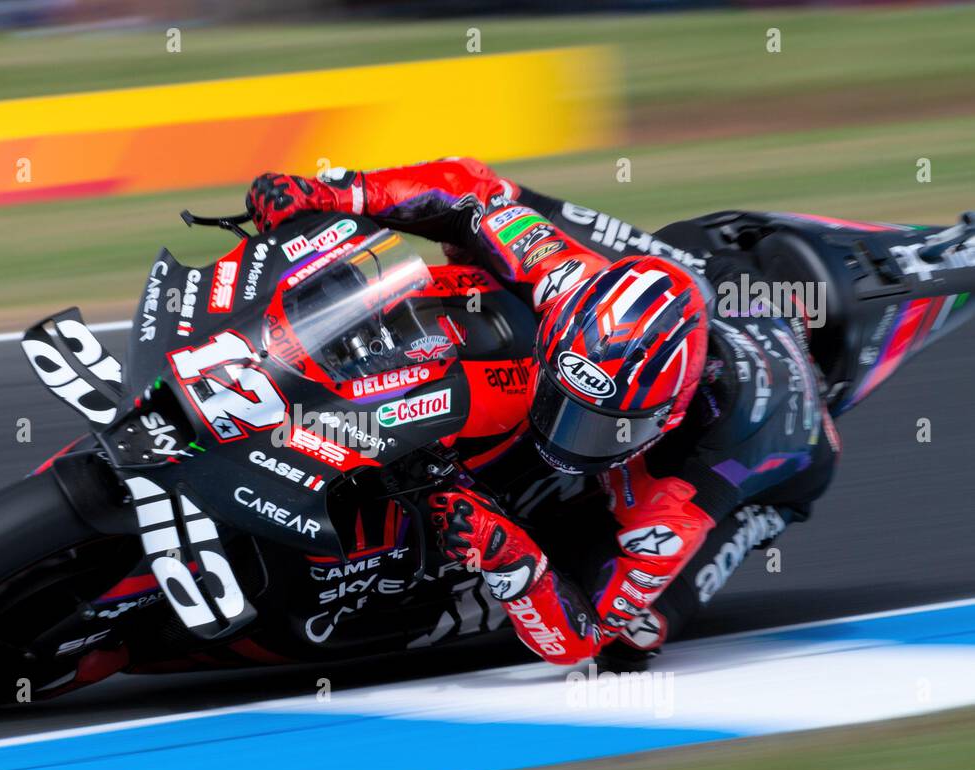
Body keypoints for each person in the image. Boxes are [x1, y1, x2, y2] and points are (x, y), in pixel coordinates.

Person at [246, 158, 842, 669]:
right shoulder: (564, 277)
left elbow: (583, 636)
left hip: (792, 455)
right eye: (567, 404)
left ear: (665, 417)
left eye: (603, 429)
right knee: (510, 232)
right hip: (719, 287)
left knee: (635, 635)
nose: (570, 438)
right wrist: (334, 192)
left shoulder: (679, 497)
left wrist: (510, 557)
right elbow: (469, 189)